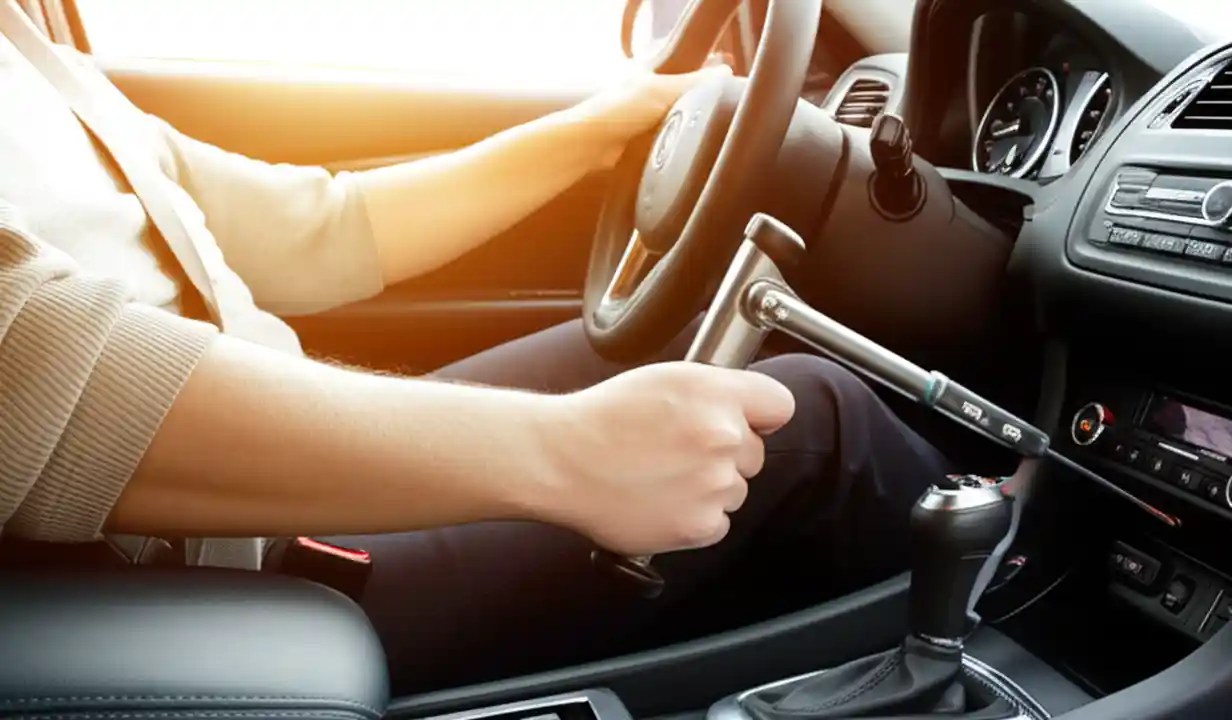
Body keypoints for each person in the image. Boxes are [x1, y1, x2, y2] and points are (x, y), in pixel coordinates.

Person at [0, 1, 949, 695]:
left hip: (254, 472)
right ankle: (1029, 590)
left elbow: (316, 228)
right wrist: (570, 454)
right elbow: (47, 378)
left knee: (681, 338)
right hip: (217, 573)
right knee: (819, 418)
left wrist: (600, 126)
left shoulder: (22, 48)